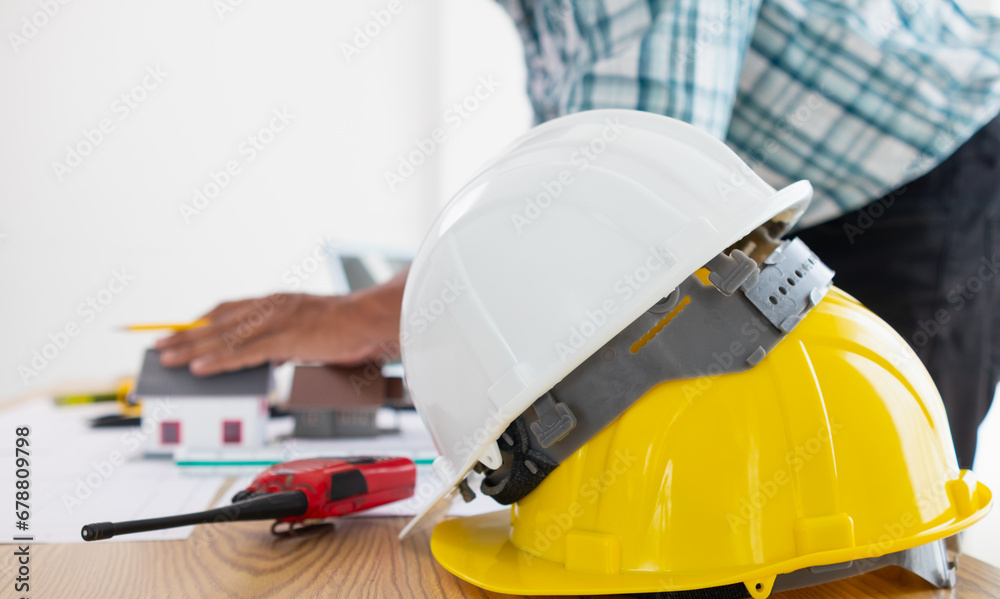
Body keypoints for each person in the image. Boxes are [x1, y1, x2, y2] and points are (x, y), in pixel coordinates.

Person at [158, 0, 1000, 469]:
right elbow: (573, 172)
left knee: (892, 501)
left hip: (931, 156)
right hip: (791, 188)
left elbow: (615, 209)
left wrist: (395, 314)